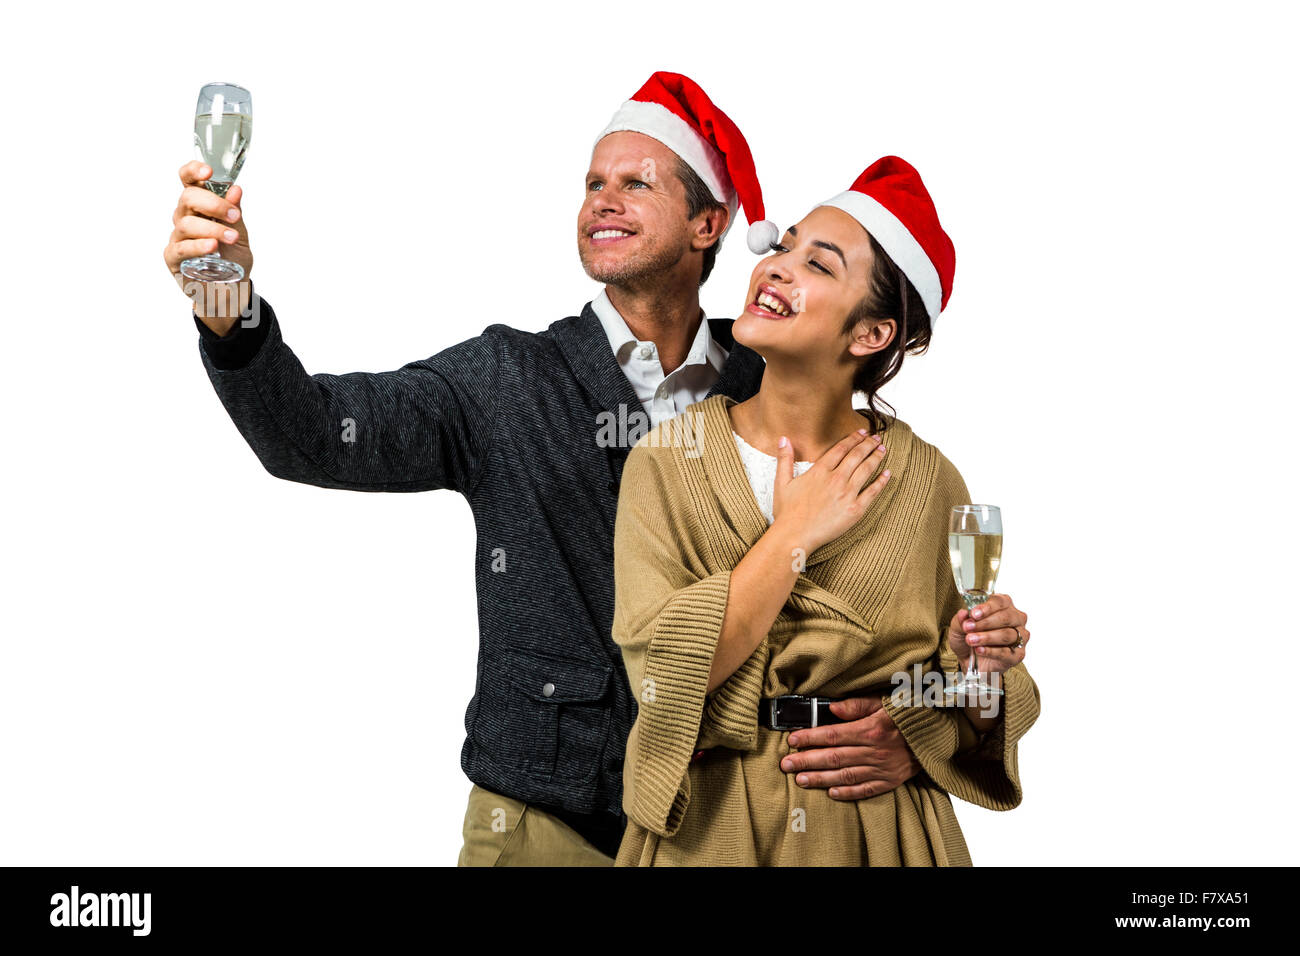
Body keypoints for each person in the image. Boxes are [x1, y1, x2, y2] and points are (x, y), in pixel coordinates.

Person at [162, 73, 935, 866]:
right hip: (542, 830)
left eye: (637, 182)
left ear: (709, 223)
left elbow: (876, 616)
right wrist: (230, 312)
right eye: (594, 183)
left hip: (723, 830)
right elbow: (312, 435)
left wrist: (915, 736)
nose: (604, 200)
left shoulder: (772, 376)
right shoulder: (506, 379)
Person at [611, 156, 1041, 866]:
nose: (777, 266)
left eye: (819, 264)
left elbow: (970, 707)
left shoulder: (929, 481)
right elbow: (659, 673)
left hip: (879, 833)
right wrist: (794, 534)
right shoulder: (666, 461)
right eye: (784, 247)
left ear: (871, 334)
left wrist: (967, 675)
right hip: (711, 829)